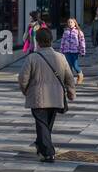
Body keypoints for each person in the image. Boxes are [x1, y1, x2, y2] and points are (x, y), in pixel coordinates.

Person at [17, 27, 76, 162]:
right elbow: (69, 77)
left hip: (38, 97)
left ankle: (49, 153)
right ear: (51, 40)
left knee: (42, 124)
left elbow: (22, 78)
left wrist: (25, 90)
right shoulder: (60, 57)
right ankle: (41, 144)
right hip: (56, 97)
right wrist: (71, 92)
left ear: (37, 41)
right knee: (46, 124)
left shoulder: (32, 57)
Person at [57, 17, 87, 83]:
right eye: (69, 22)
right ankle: (70, 79)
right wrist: (61, 50)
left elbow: (82, 42)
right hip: (67, 51)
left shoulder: (79, 32)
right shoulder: (65, 32)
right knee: (68, 65)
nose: (70, 24)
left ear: (75, 23)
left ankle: (80, 74)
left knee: (75, 65)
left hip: (75, 51)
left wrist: (82, 51)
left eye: (71, 22)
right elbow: (62, 42)